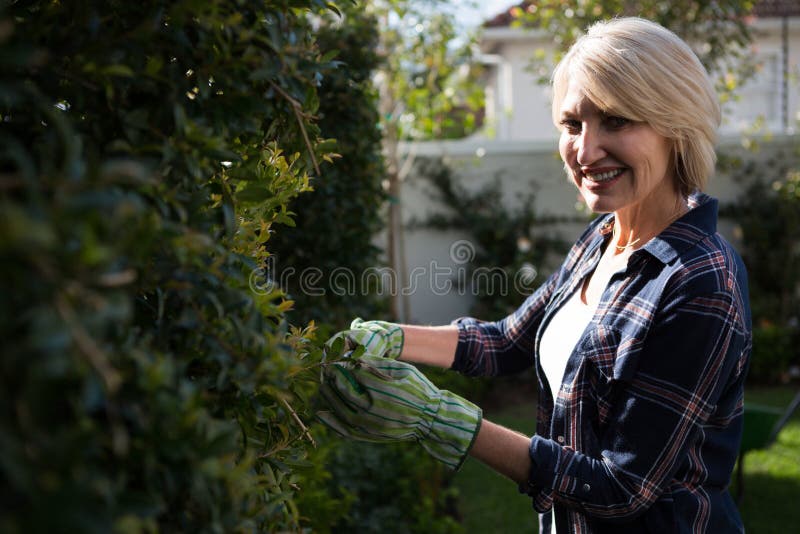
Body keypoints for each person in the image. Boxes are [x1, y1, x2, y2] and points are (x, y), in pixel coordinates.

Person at [317, 17, 751, 534]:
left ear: (675, 125)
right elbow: (507, 342)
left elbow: (622, 487)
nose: (585, 152)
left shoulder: (702, 283)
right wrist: (389, 338)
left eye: (616, 121)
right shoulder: (603, 239)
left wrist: (442, 420)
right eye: (573, 124)